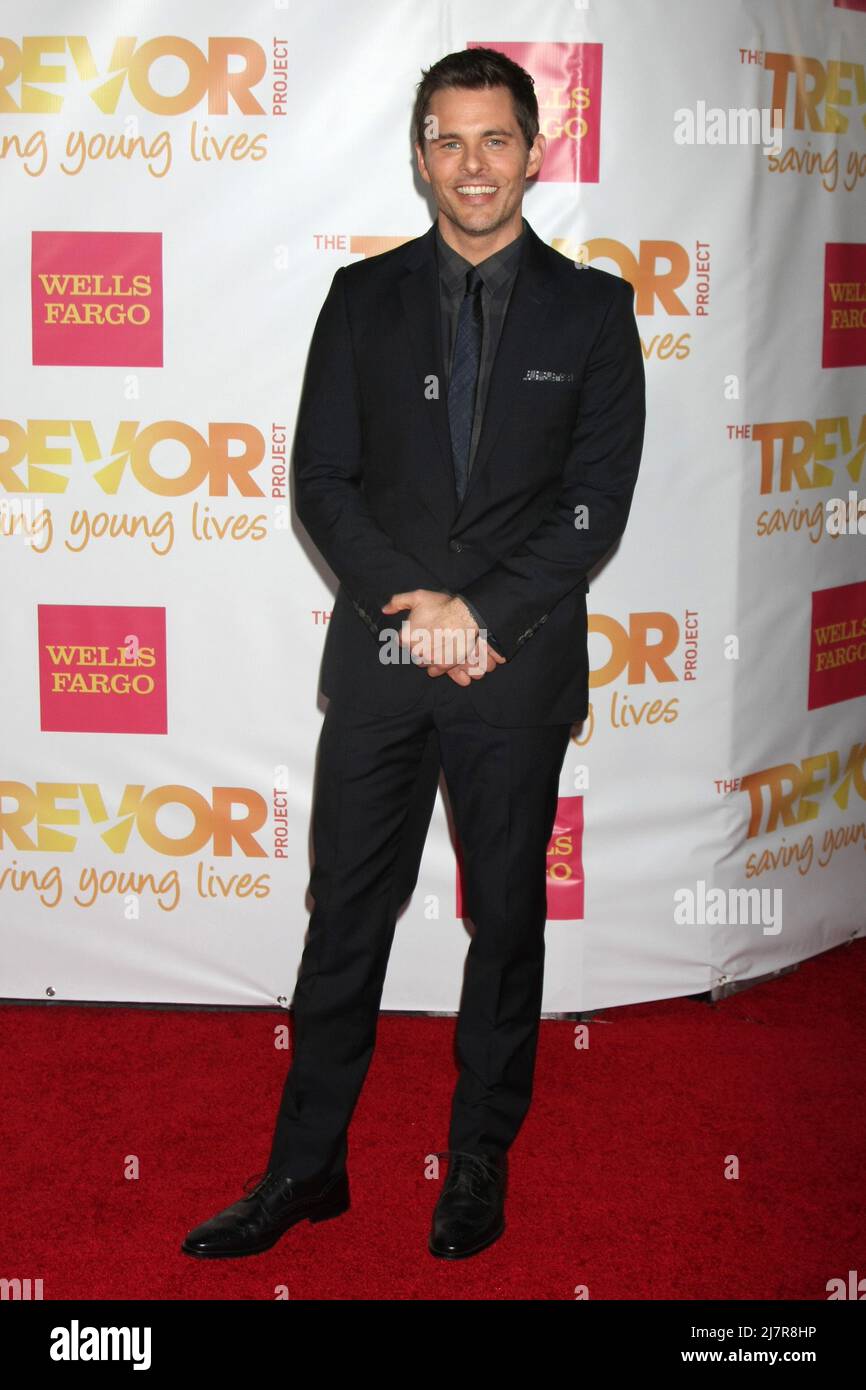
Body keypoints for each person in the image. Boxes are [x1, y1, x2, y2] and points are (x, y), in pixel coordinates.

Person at [182, 46, 645, 1262]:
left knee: (505, 918)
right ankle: (305, 1169)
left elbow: (594, 504)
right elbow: (320, 482)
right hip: (384, 662)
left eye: (495, 138)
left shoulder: (595, 311)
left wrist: (477, 615)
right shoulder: (360, 298)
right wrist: (418, 610)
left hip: (516, 667)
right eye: (448, 139)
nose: (471, 163)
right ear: (419, 155)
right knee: (345, 913)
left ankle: (477, 1158)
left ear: (533, 152)